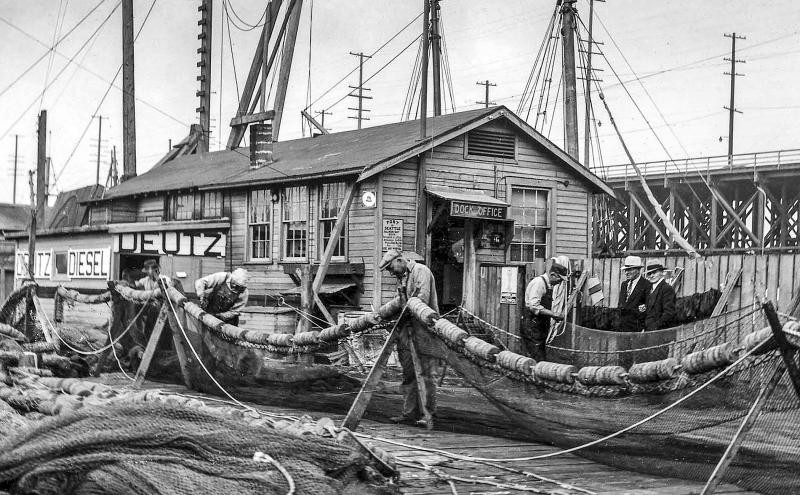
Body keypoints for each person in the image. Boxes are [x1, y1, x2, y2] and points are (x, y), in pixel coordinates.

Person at [378, 249, 438, 427]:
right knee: (409, 374)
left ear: (399, 260)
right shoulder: (402, 277)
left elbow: (421, 300)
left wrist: (400, 307)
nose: (391, 272)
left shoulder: (421, 271)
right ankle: (409, 413)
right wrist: (382, 313)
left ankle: (428, 414)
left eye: (391, 268)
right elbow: (399, 301)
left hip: (424, 331)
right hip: (407, 331)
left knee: (426, 374)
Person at [523, 261, 569, 361]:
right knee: (536, 358)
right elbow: (534, 306)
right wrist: (553, 314)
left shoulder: (548, 285)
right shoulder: (539, 283)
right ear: (552, 274)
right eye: (560, 279)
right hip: (532, 325)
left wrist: (552, 316)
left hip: (539, 326)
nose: (560, 282)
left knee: (539, 356)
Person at [618, 256, 651, 332]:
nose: (626, 273)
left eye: (629, 269)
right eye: (625, 270)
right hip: (621, 328)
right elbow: (620, 306)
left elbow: (648, 310)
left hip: (637, 329)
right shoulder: (624, 284)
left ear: (638, 270)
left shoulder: (647, 285)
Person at [644, 262, 676, 331]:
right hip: (648, 330)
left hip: (661, 331)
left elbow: (669, 313)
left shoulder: (666, 288)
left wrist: (654, 327)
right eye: (649, 273)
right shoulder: (649, 288)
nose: (651, 275)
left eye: (654, 272)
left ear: (662, 272)